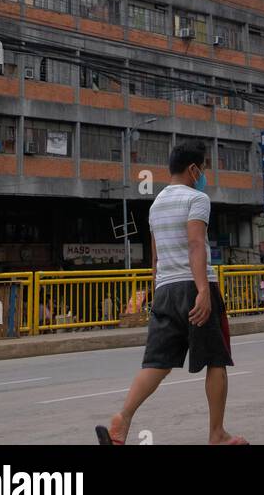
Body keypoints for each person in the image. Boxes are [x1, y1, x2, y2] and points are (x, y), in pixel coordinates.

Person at [96, 141, 248, 447]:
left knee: (157, 363)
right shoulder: (197, 199)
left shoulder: (155, 204)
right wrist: (203, 290)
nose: (204, 173)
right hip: (194, 285)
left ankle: (121, 420)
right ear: (193, 169)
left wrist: (156, 294)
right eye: (203, 167)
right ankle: (217, 434)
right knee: (216, 361)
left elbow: (155, 257)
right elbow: (195, 244)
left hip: (165, 290)